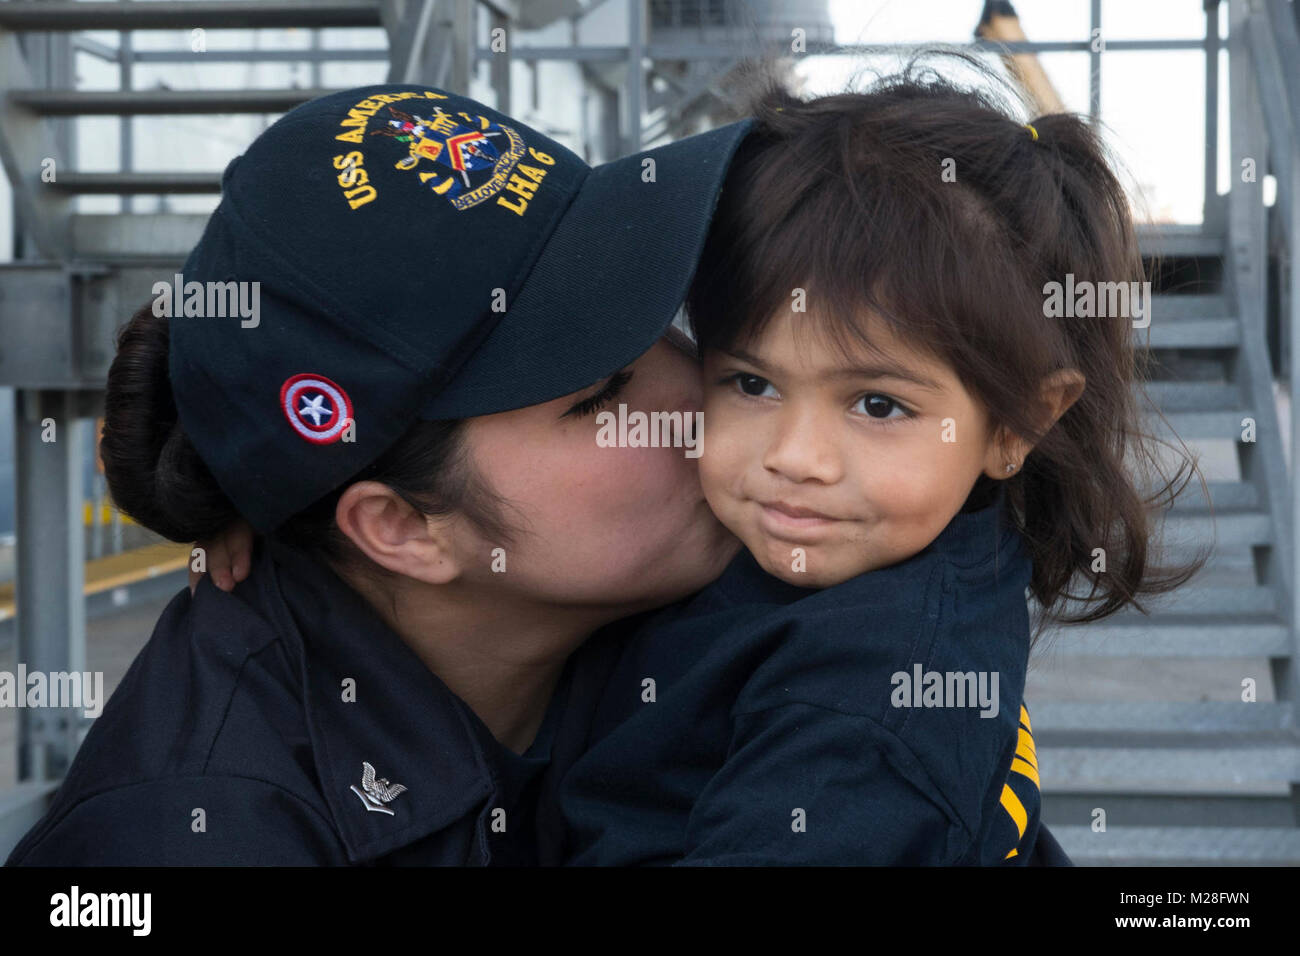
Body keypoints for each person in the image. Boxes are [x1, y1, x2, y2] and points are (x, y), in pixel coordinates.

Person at [4, 83, 752, 865]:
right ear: (400, 529)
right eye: (601, 395)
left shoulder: (684, 594)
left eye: (658, 311)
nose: (701, 389)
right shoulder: (201, 835)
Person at [533, 66, 1206, 865]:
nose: (795, 458)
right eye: (752, 384)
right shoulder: (807, 574)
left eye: (878, 406)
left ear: (1019, 423)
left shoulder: (874, 701)